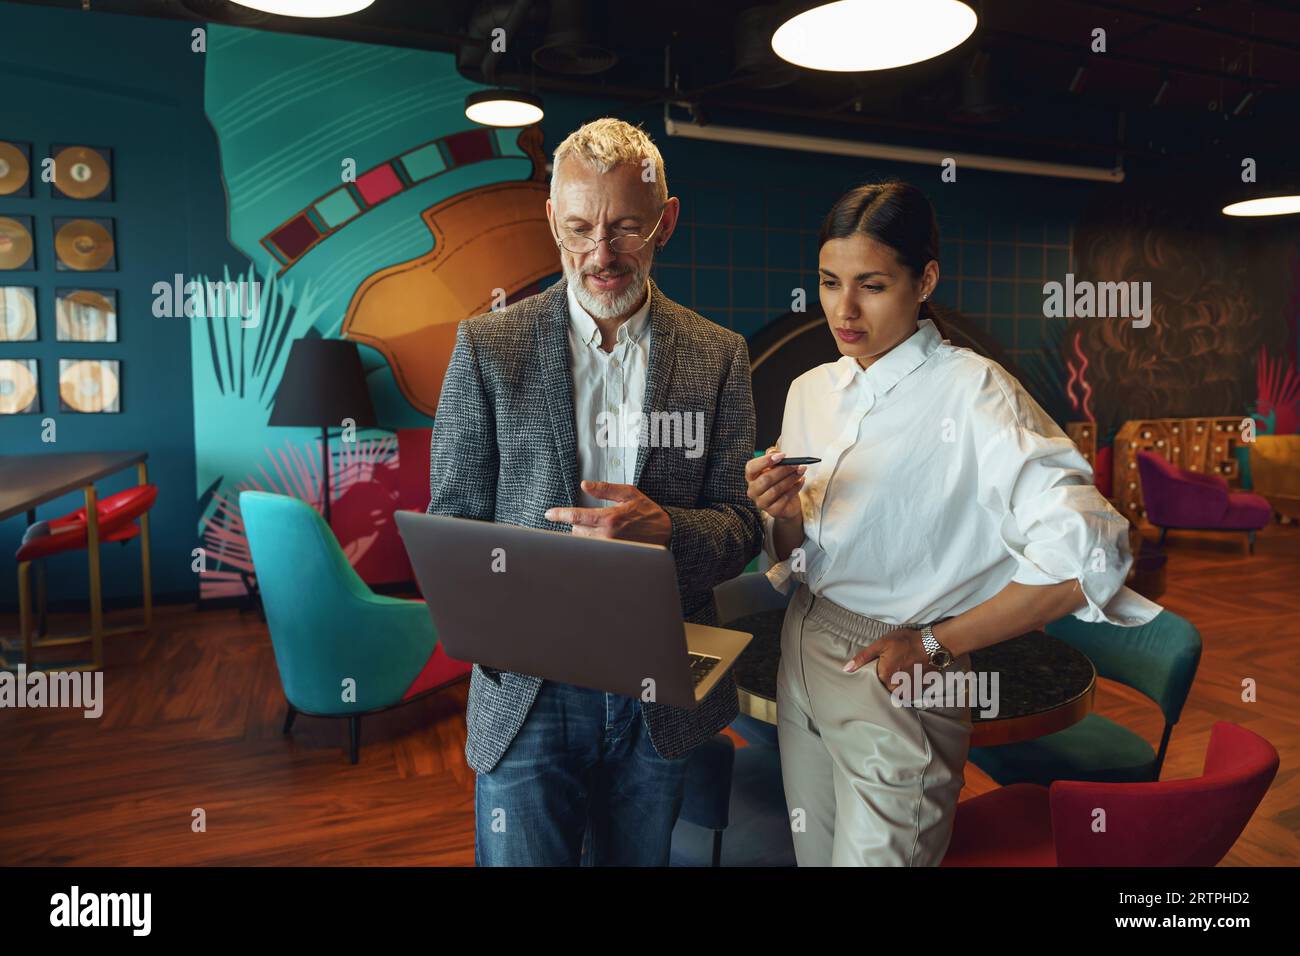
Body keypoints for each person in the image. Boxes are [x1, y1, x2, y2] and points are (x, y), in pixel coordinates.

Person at [745, 180, 1163, 867]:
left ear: (925, 279)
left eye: (872, 285)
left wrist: (936, 643)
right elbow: (796, 553)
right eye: (828, 282)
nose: (843, 310)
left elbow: (1093, 550)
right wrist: (782, 515)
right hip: (803, 642)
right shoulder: (809, 391)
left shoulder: (976, 394)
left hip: (901, 672)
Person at [428, 117, 762, 866]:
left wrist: (669, 531)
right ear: (552, 220)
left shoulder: (718, 356)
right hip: (529, 694)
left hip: (663, 692)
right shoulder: (487, 346)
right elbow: (452, 522)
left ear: (666, 222)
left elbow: (742, 530)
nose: (600, 256)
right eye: (578, 229)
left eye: (626, 229)